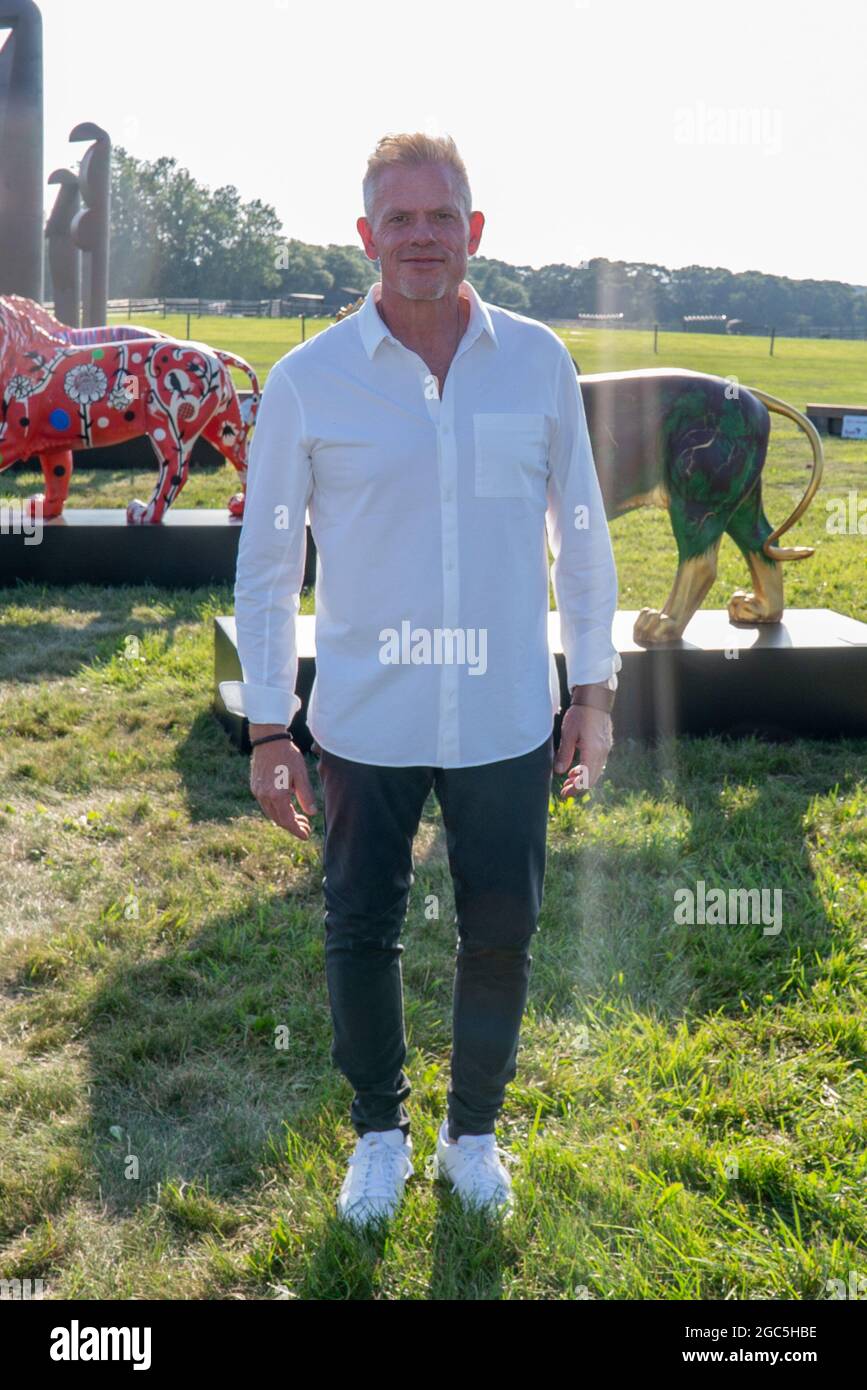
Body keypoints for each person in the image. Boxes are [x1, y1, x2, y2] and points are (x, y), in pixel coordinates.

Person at [219, 131, 621, 1228]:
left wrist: (592, 692)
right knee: (361, 926)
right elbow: (268, 564)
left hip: (502, 715)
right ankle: (379, 1136)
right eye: (398, 219)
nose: (421, 237)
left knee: (501, 928)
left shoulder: (538, 361)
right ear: (365, 238)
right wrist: (269, 726)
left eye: (440, 215)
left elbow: (579, 536)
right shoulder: (309, 383)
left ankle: (474, 1132)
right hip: (363, 716)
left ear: (474, 230)